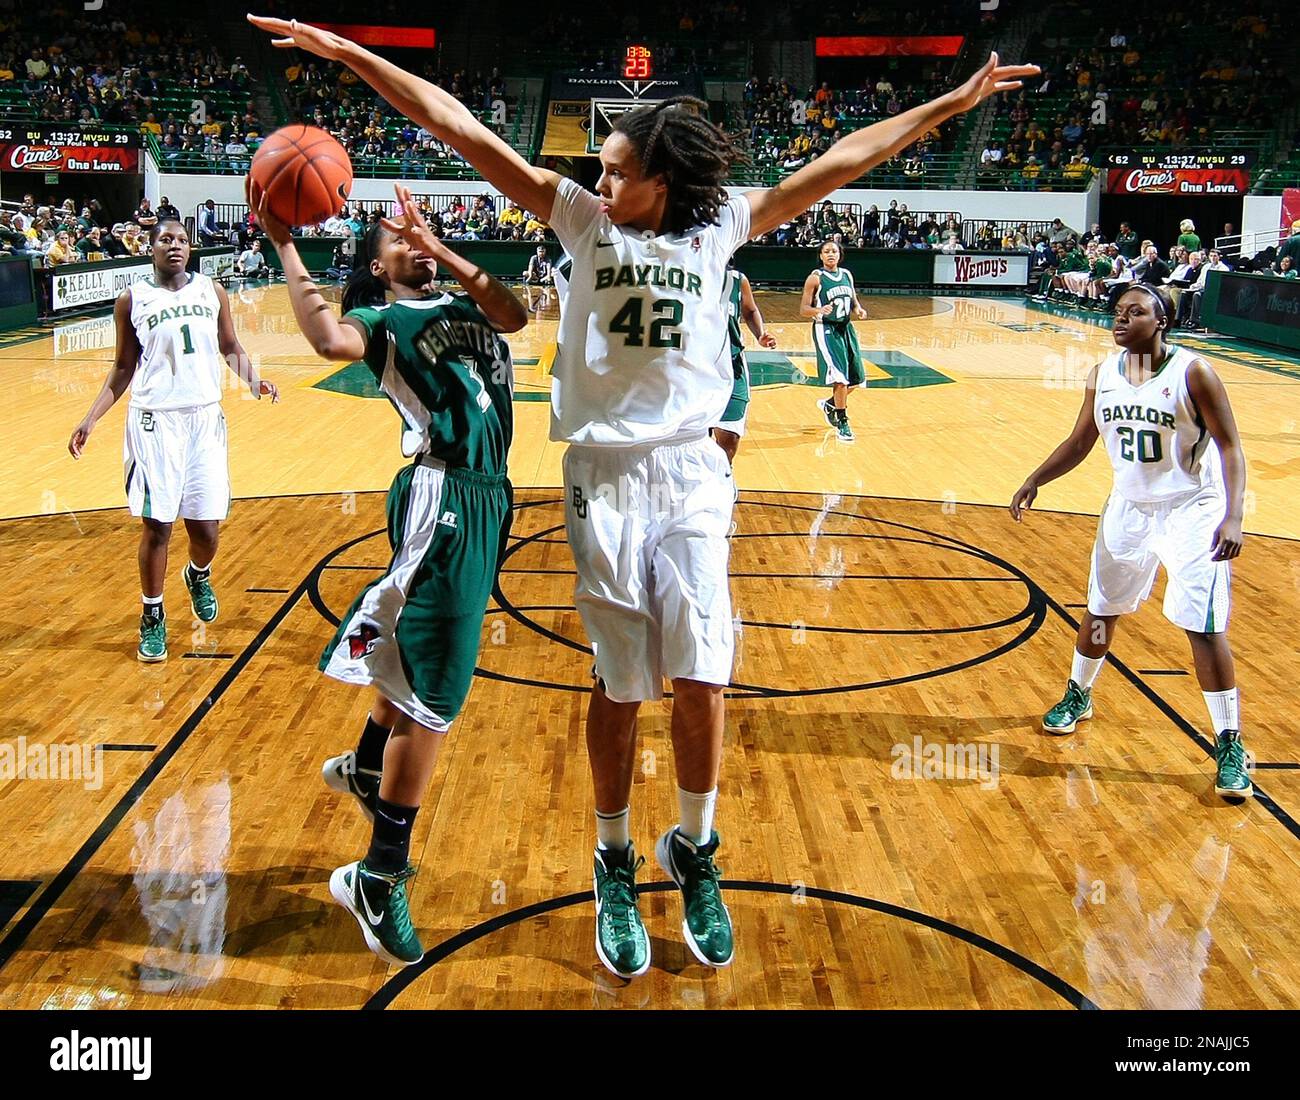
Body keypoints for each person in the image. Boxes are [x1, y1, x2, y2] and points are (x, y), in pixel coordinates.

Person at [251, 12, 1037, 978]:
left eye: (617, 169)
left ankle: (695, 847)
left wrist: (946, 107)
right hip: (604, 478)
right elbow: (462, 129)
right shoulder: (579, 220)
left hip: (696, 471)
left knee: (704, 671)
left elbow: (840, 161)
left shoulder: (723, 226)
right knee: (623, 686)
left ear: (664, 179)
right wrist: (353, 56)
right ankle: (614, 856)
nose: (600, 179)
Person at [251, 180, 526, 966]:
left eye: (424, 230)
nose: (417, 238)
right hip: (443, 488)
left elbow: (517, 314)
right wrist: (284, 243)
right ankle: (377, 874)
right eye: (399, 238)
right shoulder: (383, 320)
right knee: (438, 696)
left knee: (418, 658)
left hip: (487, 495)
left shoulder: (471, 308)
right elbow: (329, 343)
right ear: (377, 269)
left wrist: (449, 253)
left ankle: (370, 763)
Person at [1010, 285, 1252, 800]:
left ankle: (1230, 743)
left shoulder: (1194, 373)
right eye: (1118, 311)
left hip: (1193, 509)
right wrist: (1036, 478)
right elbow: (1081, 440)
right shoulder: (1103, 375)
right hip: (1129, 507)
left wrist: (1233, 516)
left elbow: (1231, 447)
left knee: (1201, 625)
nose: (1121, 319)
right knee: (1100, 609)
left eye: (1135, 312)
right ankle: (1079, 693)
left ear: (1161, 320)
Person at [67, 219, 278, 662]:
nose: (175, 246)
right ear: (151, 247)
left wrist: (255, 381)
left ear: (190, 247)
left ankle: (198, 573)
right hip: (153, 422)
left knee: (206, 529)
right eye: (166, 239)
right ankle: (152, 615)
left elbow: (230, 345)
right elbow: (123, 366)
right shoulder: (133, 299)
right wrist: (90, 418)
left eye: (182, 239)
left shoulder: (211, 291)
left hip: (204, 418)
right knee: (157, 524)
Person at [803, 239, 867, 443]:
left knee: (857, 379)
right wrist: (818, 310)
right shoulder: (815, 278)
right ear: (820, 256)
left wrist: (858, 309)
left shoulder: (847, 274)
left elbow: (853, 299)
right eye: (826, 251)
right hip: (827, 330)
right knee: (840, 377)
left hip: (846, 328)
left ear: (840, 255)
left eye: (834, 251)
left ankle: (830, 404)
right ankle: (843, 422)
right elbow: (804, 309)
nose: (831, 254)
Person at [713, 262, 776, 465]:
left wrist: (760, 334)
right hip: (695, 367)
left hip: (732, 364)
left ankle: (724, 477)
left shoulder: (737, 280)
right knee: (695, 437)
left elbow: (749, 311)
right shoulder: (688, 273)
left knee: (729, 436)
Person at [521, 243, 553, 311]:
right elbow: (530, 268)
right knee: (524, 273)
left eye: (542, 252)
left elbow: (549, 271)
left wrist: (543, 279)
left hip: (544, 277)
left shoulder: (548, 259)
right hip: (535, 276)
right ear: (537, 252)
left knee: (553, 272)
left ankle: (545, 283)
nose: (541, 253)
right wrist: (530, 277)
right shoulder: (533, 258)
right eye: (540, 252)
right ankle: (534, 281)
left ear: (545, 252)